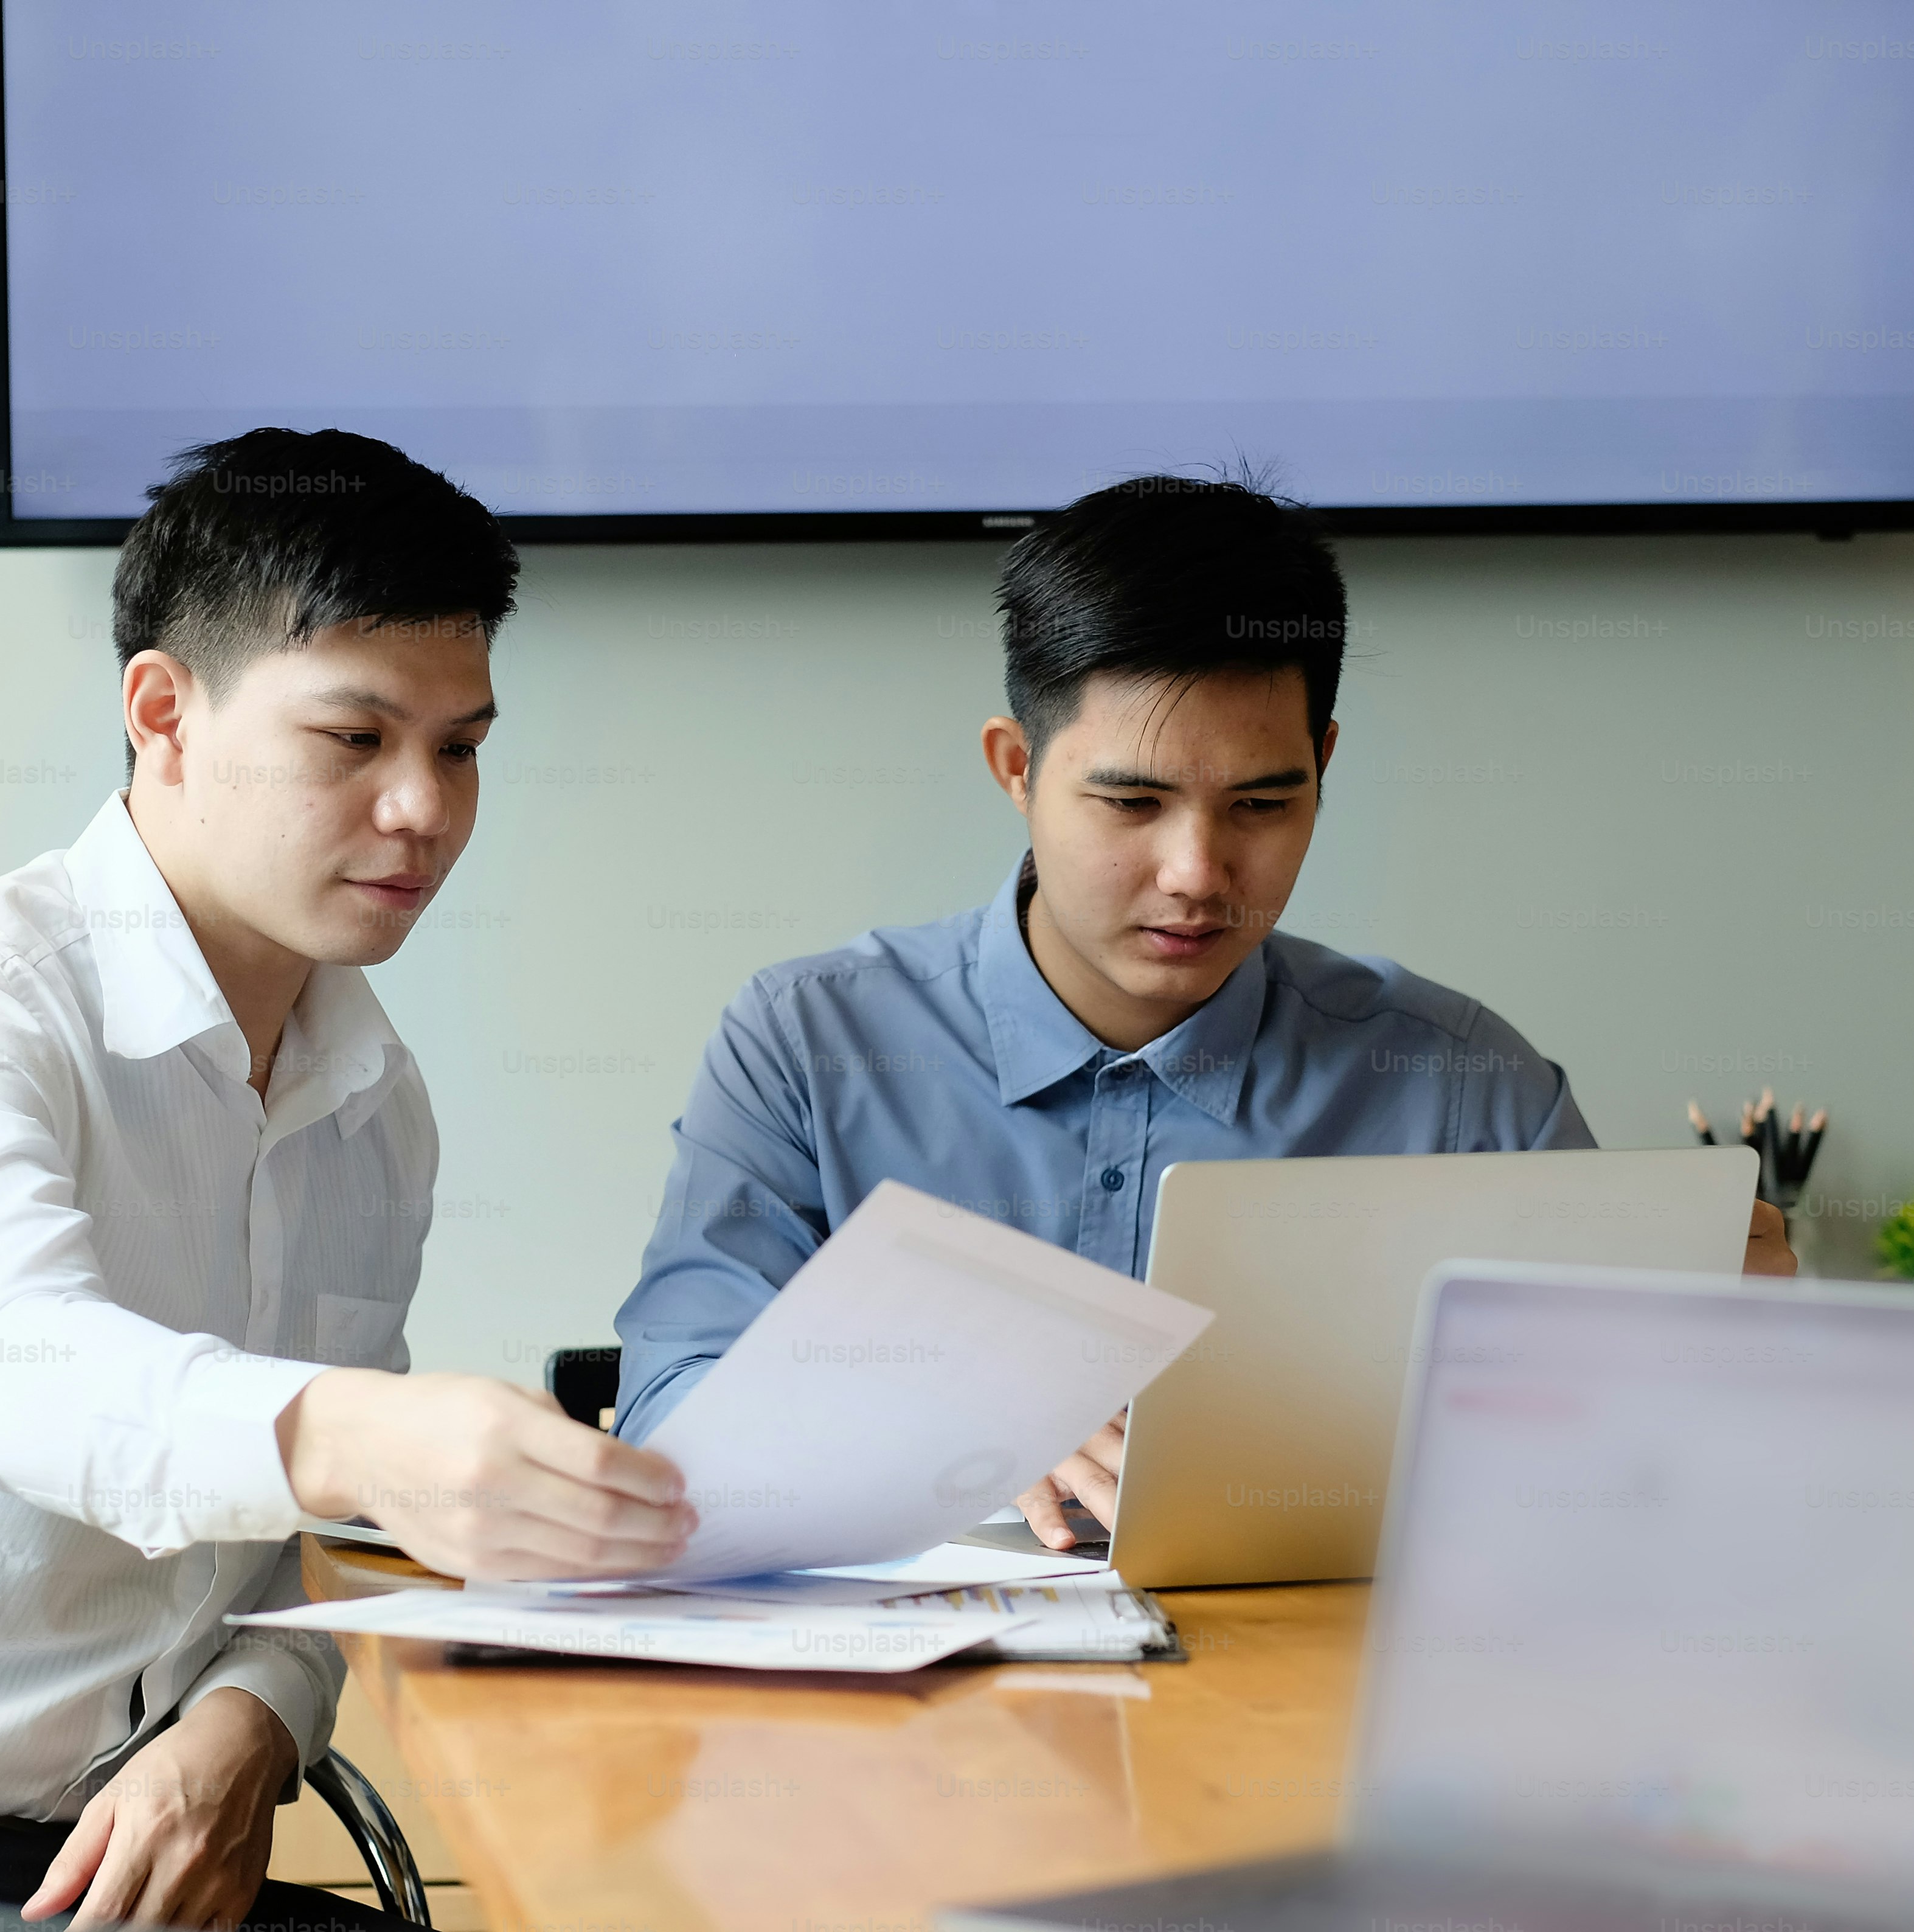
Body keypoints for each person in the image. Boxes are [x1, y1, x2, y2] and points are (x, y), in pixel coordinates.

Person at [0, 431, 693, 1932]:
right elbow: (34, 1379)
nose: (424, 807)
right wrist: (370, 1433)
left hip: (80, 1859)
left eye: (460, 745)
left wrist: (242, 1729)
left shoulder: (374, 1101)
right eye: (356, 740)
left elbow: (297, 1563)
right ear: (163, 713)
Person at [611, 474, 1794, 1549]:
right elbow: (668, 1417)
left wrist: (1733, 1368)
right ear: (1015, 767)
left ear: (1324, 764)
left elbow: (1622, 1486)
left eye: (1264, 803)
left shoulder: (1461, 1086)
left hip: (1317, 1728)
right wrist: (944, 1417)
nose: (1197, 870)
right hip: (914, 1727)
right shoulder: (812, 1045)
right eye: (1132, 803)